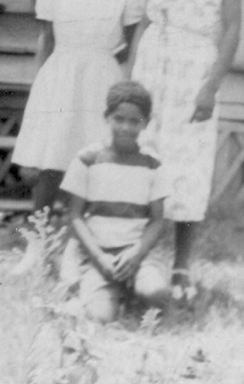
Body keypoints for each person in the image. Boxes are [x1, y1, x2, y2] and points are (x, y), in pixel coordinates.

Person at [131, 0, 244, 297]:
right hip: (152, 61)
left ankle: (181, 264)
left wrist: (210, 87)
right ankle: (136, 250)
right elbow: (145, 19)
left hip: (195, 64)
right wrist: (130, 82)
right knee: (144, 156)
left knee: (187, 163)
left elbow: (233, 28)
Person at [11, 0, 144, 271]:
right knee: (50, 165)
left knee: (90, 165)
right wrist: (40, 86)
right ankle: (36, 249)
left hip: (103, 79)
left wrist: (125, 92)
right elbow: (47, 41)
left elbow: (131, 46)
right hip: (59, 79)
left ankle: (73, 248)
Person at [60, 80, 171, 323]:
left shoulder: (153, 164)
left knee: (158, 294)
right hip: (99, 254)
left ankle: (133, 287)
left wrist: (137, 253)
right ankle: (106, 290)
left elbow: (157, 220)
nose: (125, 127)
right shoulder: (86, 159)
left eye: (134, 121)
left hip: (136, 252)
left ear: (146, 122)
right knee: (99, 317)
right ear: (107, 117)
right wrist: (100, 258)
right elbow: (76, 216)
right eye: (119, 119)